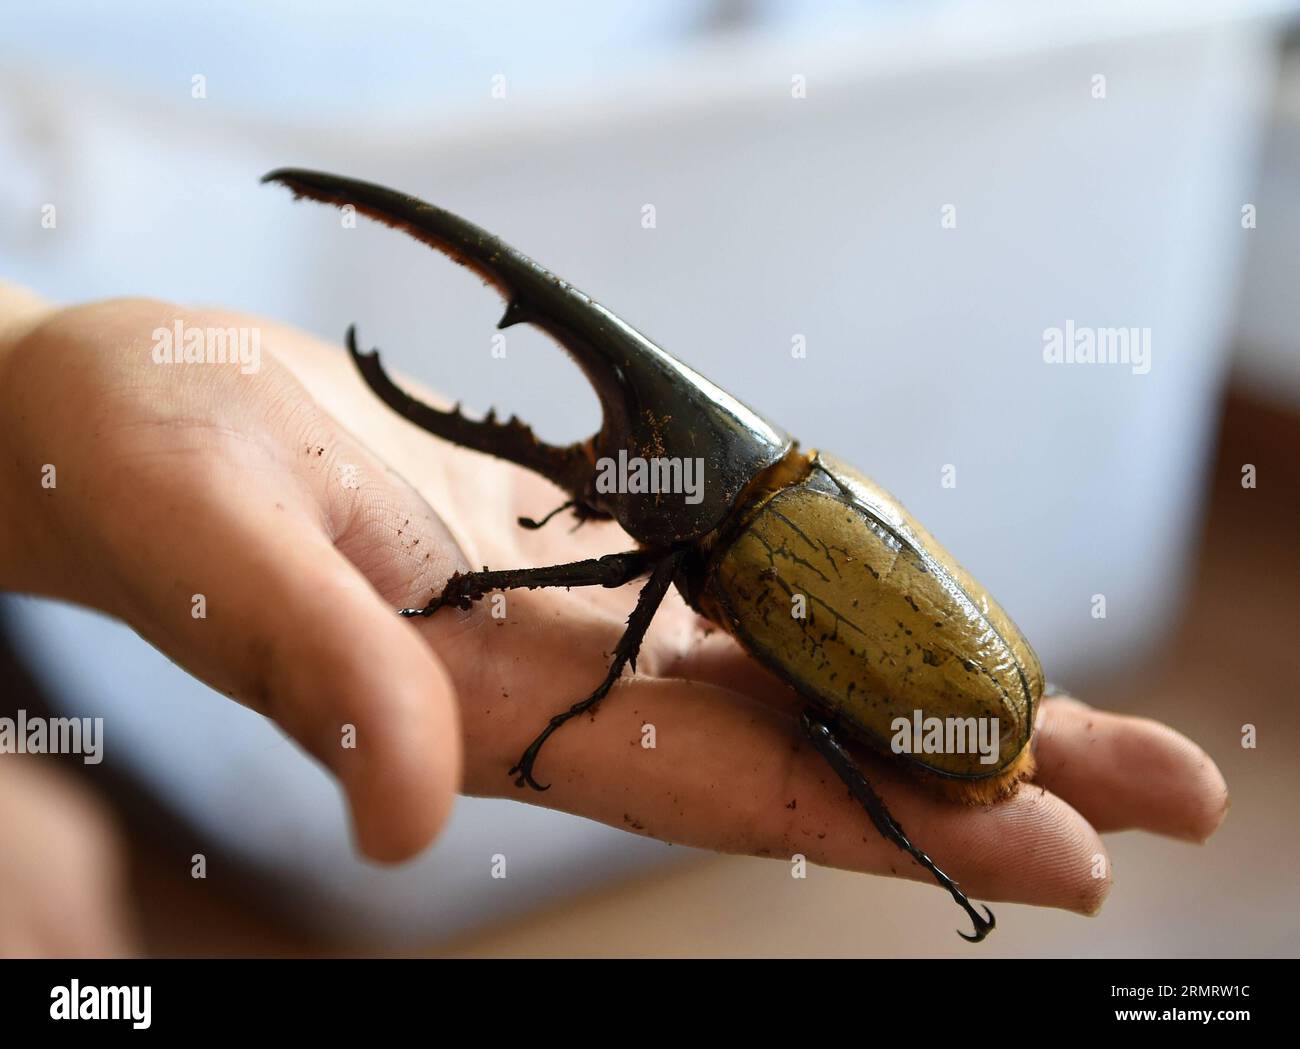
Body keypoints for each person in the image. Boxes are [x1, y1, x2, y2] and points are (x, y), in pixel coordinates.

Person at [0, 284, 1230, 954]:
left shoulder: (726, 549)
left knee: (810, 729)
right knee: (793, 716)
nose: (591, 473)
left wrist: (479, 588)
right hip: (979, 669)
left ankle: (918, 846)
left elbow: (601, 589)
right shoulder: (802, 489)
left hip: (957, 718)